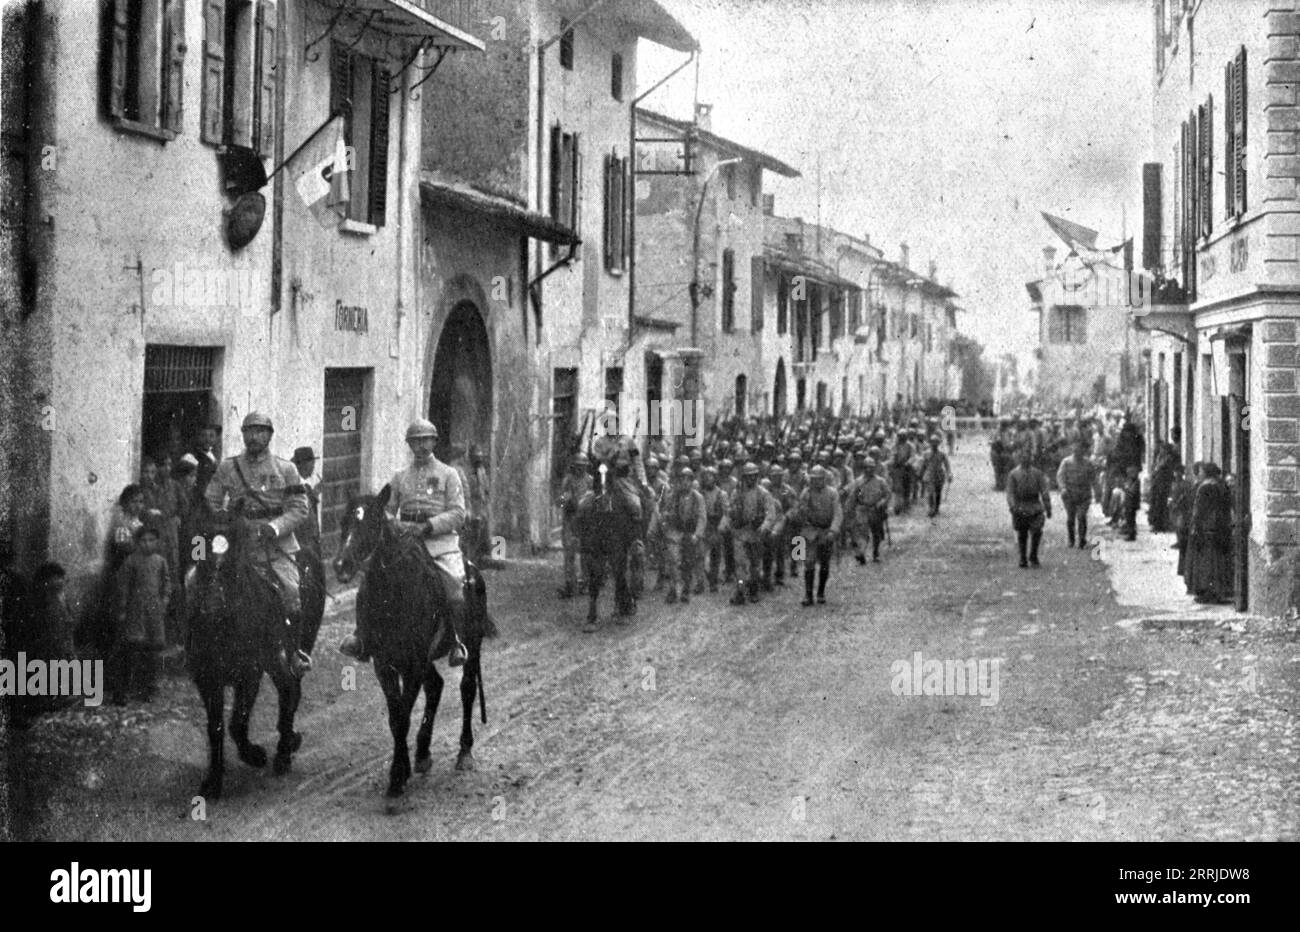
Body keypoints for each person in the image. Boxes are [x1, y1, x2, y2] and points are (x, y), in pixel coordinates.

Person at [340, 419, 469, 666]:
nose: (420, 446)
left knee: (453, 583)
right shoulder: (400, 477)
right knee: (369, 583)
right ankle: (361, 637)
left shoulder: (448, 474)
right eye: (415, 441)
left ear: (434, 441)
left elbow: (457, 513)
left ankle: (455, 642)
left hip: (439, 541)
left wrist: (428, 526)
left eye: (425, 440)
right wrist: (395, 523)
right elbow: (384, 510)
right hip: (406, 539)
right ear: (409, 444)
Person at [205, 412, 312, 677]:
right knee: (200, 580)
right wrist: (225, 520)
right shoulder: (228, 467)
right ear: (243, 435)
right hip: (237, 544)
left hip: (276, 547)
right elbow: (211, 498)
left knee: (290, 590)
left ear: (269, 435)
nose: (254, 437)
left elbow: (299, 508)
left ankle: (293, 652)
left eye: (260, 431)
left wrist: (274, 527)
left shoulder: (286, 469)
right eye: (249, 432)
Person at [111, 524, 170, 704]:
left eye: (151, 540)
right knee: (132, 648)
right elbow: (123, 586)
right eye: (143, 541)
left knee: (152, 651)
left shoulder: (160, 561)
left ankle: (148, 689)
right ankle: (122, 691)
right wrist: (122, 609)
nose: (147, 544)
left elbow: (166, 582)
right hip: (135, 610)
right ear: (137, 542)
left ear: (157, 542)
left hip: (154, 610)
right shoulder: (131, 561)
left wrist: (165, 600)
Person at [291, 446, 325, 655]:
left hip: (312, 546)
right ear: (302, 465)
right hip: (301, 549)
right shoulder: (295, 488)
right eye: (311, 462)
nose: (313, 465)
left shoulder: (306, 487)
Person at [728, 461, 777, 605]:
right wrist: (734, 514)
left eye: (753, 476)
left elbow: (771, 514)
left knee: (755, 564)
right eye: (747, 476)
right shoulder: (737, 492)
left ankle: (754, 588)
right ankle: (740, 590)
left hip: (756, 532)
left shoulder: (764, 493)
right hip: (741, 531)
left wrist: (764, 526)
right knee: (740, 563)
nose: (750, 479)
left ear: (756, 477)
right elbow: (730, 510)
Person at [655, 467, 705, 604]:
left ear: (691, 482)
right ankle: (673, 589)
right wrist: (665, 519)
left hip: (690, 532)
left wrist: (697, 534)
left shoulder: (697, 497)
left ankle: (686, 590)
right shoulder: (672, 496)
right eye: (682, 480)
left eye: (688, 480)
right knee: (673, 560)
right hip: (675, 532)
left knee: (688, 562)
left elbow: (702, 517)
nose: (685, 483)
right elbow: (665, 511)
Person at [1187, 462, 1233, 604]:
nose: (1199, 474)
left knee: (1206, 562)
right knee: (1218, 561)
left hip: (1206, 528)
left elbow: (1198, 511)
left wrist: (1195, 526)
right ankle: (1218, 591)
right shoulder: (1221, 485)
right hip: (1220, 527)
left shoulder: (1204, 487)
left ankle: (1208, 592)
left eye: (1201, 471)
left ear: (1206, 473)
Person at [797, 465, 842, 606]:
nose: (816, 482)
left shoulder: (832, 493)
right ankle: (808, 595)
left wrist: (833, 530)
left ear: (824, 479)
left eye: (819, 479)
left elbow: (837, 513)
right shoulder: (806, 493)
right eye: (814, 479)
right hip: (810, 530)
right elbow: (801, 513)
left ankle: (821, 592)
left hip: (826, 530)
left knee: (824, 562)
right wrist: (804, 503)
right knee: (809, 562)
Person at [1006, 447, 1052, 568]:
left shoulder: (1038, 474)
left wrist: (1048, 507)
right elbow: (1010, 492)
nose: (1025, 459)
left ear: (1031, 458)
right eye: (1023, 457)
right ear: (1019, 459)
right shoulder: (1013, 474)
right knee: (1022, 533)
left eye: (1028, 456)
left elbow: (1044, 491)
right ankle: (1022, 557)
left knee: (1037, 530)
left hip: (1035, 505)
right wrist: (1012, 506)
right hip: (1020, 505)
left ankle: (1033, 555)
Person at [557, 451, 592, 599]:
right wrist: (566, 500)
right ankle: (569, 584)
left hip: (585, 521)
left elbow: (595, 498)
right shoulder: (568, 480)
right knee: (569, 553)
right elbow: (561, 499)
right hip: (570, 519)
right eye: (578, 466)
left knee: (585, 553)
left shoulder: (590, 480)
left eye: (582, 466)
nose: (580, 469)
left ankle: (584, 582)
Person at [1056, 439, 1097, 549]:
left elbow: (1093, 478)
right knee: (1070, 518)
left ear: (1083, 451)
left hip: (1084, 494)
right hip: (1070, 494)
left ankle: (1082, 539)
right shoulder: (1066, 462)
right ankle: (1071, 539)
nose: (1078, 451)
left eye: (1080, 449)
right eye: (1075, 449)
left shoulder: (1088, 463)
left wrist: (1096, 491)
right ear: (1072, 450)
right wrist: (1063, 488)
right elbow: (1060, 476)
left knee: (1081, 516)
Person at [849, 458, 890, 564]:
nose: (869, 470)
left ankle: (876, 553)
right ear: (863, 468)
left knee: (876, 533)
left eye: (871, 467)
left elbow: (887, 494)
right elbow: (853, 497)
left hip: (876, 509)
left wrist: (881, 503)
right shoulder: (858, 482)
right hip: (862, 509)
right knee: (862, 533)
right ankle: (861, 553)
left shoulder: (880, 481)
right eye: (867, 467)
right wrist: (851, 508)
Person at [697, 465, 730, 593]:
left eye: (711, 477)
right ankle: (703, 581)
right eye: (706, 477)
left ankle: (714, 582)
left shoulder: (722, 494)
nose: (708, 479)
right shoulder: (700, 494)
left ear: (715, 479)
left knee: (715, 558)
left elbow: (726, 513)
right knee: (701, 556)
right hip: (704, 526)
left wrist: (721, 527)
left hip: (716, 527)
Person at [1169, 463, 1195, 585]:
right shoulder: (1175, 483)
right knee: (1177, 527)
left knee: (1181, 528)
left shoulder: (1185, 484)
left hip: (1182, 512)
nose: (1176, 474)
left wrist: (1177, 504)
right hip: (1176, 510)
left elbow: (1185, 499)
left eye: (1178, 472)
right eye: (1175, 472)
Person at [919, 435, 952, 518]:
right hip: (929, 475)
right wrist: (920, 474)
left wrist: (949, 474)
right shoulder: (926, 453)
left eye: (936, 443)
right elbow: (923, 465)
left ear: (939, 444)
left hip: (939, 476)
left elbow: (947, 465)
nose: (934, 444)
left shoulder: (942, 454)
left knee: (938, 493)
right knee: (930, 493)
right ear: (930, 443)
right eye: (932, 442)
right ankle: (931, 508)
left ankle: (936, 508)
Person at [1120, 465, 1142, 542]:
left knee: (1131, 519)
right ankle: (1130, 533)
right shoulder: (1131, 481)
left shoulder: (1136, 482)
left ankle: (1131, 534)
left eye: (1130, 473)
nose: (1129, 475)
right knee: (1129, 519)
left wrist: (1126, 489)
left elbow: (1132, 492)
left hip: (1132, 504)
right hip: (1129, 503)